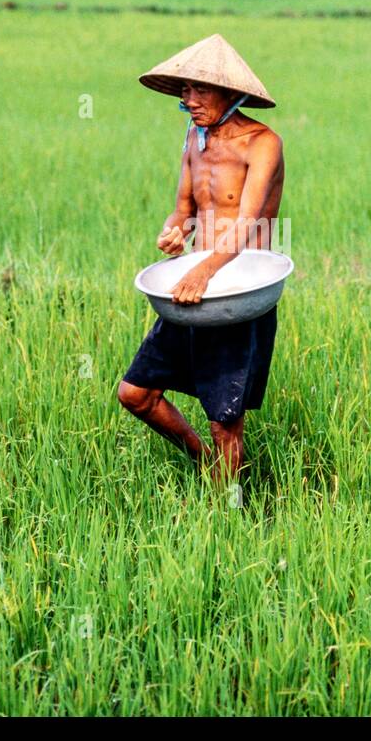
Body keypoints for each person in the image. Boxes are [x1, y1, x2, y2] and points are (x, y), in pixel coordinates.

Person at [117, 34, 285, 483]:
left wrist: (203, 270)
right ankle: (209, 467)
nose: (188, 100)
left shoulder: (262, 143)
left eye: (199, 90)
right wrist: (175, 233)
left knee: (224, 421)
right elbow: (184, 209)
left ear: (231, 92)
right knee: (136, 393)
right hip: (195, 285)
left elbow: (248, 223)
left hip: (237, 288)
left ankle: (227, 512)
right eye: (184, 91)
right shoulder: (195, 136)